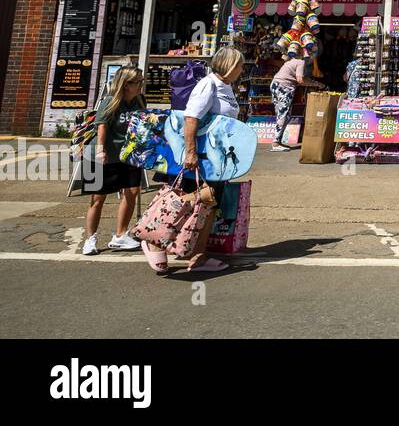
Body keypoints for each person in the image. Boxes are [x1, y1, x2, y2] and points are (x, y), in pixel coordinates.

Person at [142, 46, 244, 274]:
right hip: (200, 157)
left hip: (218, 159)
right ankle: (153, 241)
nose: (241, 69)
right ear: (229, 65)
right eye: (239, 65)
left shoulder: (226, 86)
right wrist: (190, 153)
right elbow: (191, 118)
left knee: (208, 203)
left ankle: (198, 256)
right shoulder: (209, 84)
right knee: (183, 200)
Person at [78, 67, 146, 255]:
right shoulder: (111, 100)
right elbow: (101, 126)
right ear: (126, 85)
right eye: (138, 82)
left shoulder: (139, 100)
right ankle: (90, 239)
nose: (141, 84)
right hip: (100, 153)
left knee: (132, 191)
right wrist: (101, 150)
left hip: (127, 154)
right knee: (98, 199)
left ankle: (120, 235)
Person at [269, 52, 323, 151]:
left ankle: (278, 141)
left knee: (285, 114)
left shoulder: (293, 60)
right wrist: (315, 84)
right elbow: (300, 80)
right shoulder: (301, 62)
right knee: (283, 114)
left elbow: (300, 78)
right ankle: (275, 143)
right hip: (284, 87)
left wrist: (315, 83)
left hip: (276, 85)